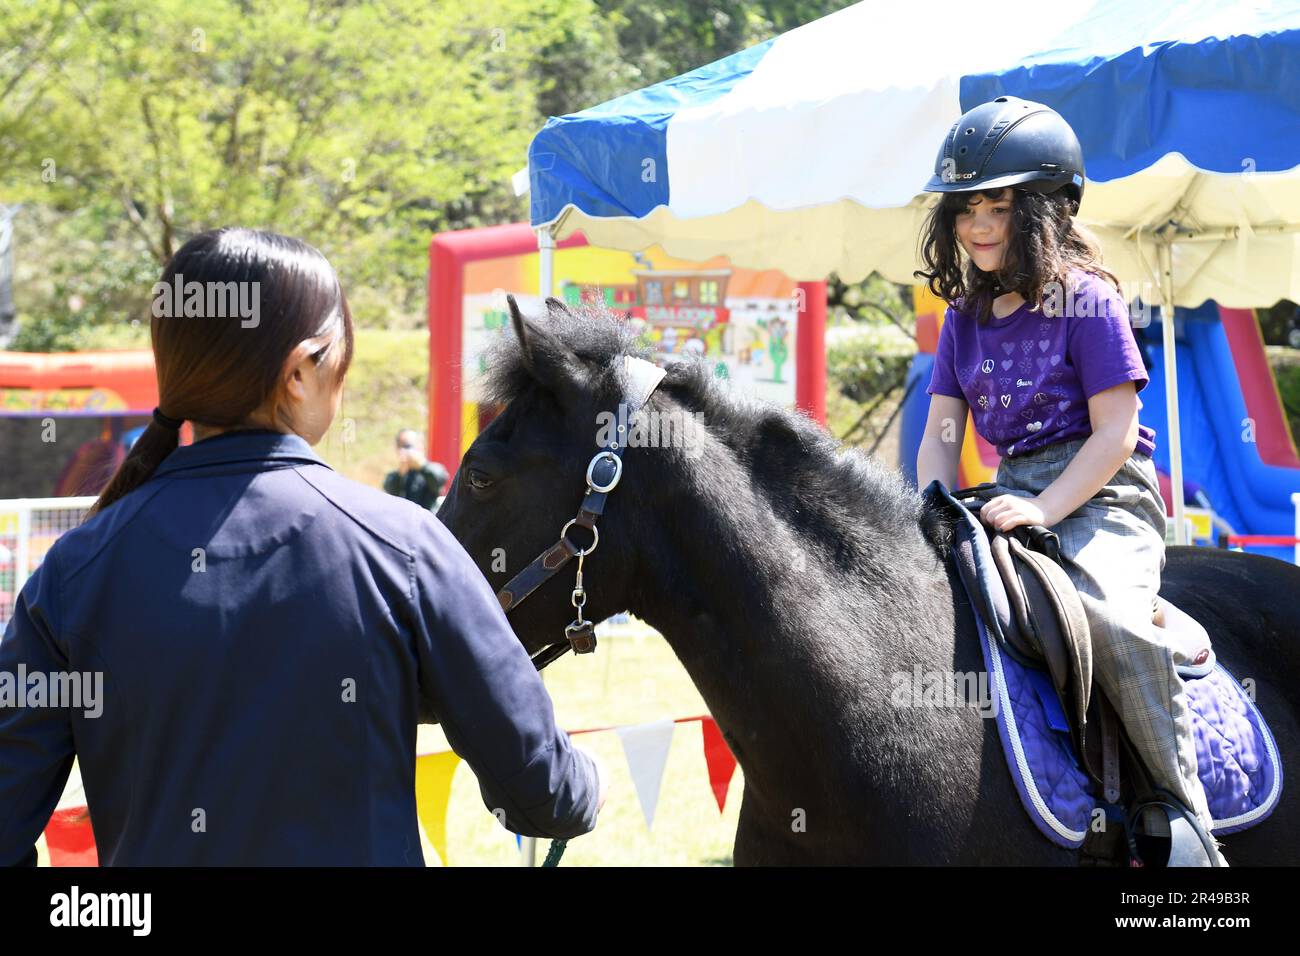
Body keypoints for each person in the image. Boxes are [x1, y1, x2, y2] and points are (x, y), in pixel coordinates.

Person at [0, 228, 607, 865]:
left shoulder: (75, 572)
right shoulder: (402, 548)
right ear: (299, 371)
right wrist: (590, 777)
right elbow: (544, 795)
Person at [913, 96, 1223, 861]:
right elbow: (943, 434)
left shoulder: (1088, 297)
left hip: (1103, 491)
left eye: (999, 205)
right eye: (965, 209)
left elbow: (1115, 434)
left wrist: (1045, 506)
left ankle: (1187, 822)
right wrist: (931, 505)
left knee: (1105, 617)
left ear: (1045, 210)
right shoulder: (963, 317)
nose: (978, 225)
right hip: (1009, 490)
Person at [383, 429, 448, 511]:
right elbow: (389, 493)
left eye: (408, 446)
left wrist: (422, 466)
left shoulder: (432, 469)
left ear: (420, 446)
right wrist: (400, 474)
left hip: (427, 520)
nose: (405, 450)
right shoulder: (395, 476)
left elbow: (439, 480)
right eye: (401, 446)